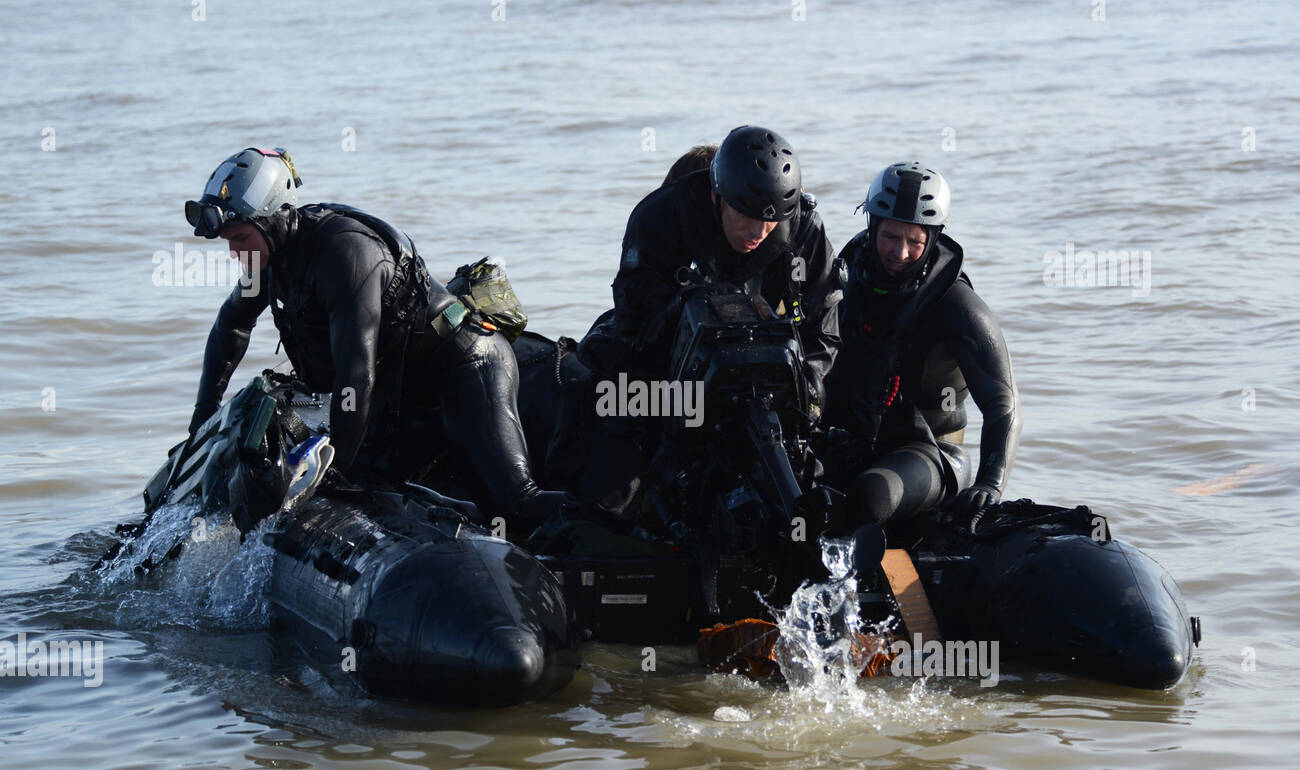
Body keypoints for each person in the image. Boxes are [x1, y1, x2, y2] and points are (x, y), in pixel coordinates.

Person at [183, 147, 563, 528]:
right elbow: (230, 326)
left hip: (467, 364)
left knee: (516, 501)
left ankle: (609, 525)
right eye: (229, 241)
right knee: (379, 489)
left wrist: (339, 468)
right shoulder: (269, 257)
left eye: (240, 237)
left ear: (275, 217)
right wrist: (202, 418)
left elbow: (355, 375)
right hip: (403, 385)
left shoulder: (344, 253)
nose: (234, 252)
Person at [553, 126, 844, 518]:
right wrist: (686, 309)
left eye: (769, 221)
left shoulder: (803, 228)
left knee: (809, 453)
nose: (758, 232)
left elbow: (823, 324)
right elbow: (634, 327)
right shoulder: (661, 219)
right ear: (716, 195)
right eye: (746, 216)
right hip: (664, 372)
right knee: (614, 432)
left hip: (762, 367)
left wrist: (807, 384)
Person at [823, 162, 1021, 528]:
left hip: (931, 455)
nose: (900, 252)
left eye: (914, 241)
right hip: (848, 441)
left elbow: (1002, 403)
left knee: (870, 495)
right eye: (890, 237)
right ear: (871, 227)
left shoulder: (958, 306)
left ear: (932, 238)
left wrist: (991, 485)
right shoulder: (842, 280)